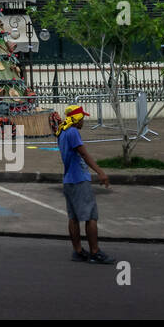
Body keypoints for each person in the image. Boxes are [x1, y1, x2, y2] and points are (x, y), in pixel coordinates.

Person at [57, 105, 113, 263]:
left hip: (68, 179)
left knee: (73, 218)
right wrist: (100, 172)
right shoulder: (73, 132)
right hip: (79, 179)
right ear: (76, 119)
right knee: (90, 216)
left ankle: (78, 251)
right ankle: (95, 252)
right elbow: (83, 153)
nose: (84, 121)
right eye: (82, 118)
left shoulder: (62, 131)